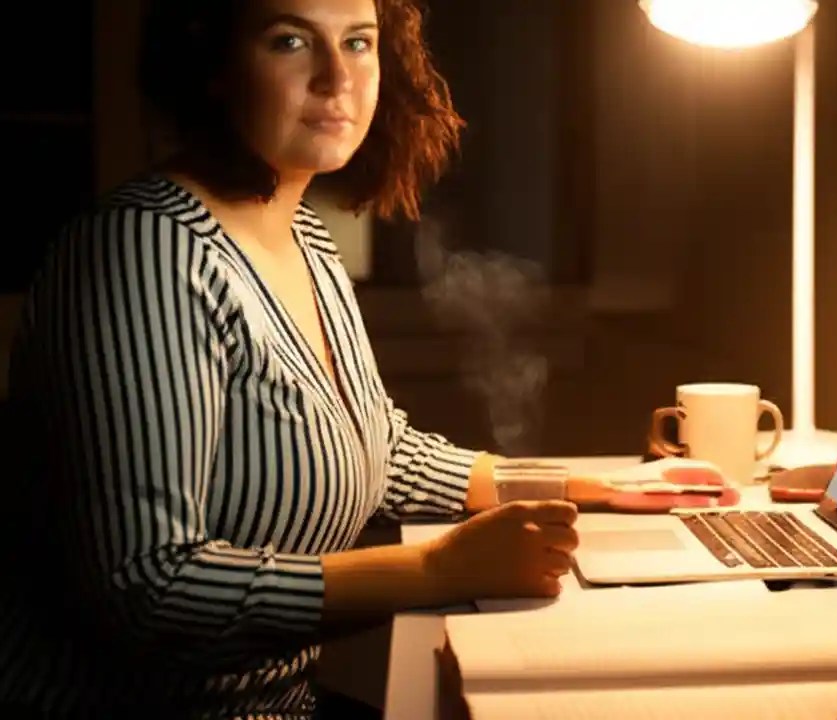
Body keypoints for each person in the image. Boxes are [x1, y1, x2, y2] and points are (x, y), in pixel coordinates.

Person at [0, 0, 611, 716]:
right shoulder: (145, 250)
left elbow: (378, 448)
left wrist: (587, 486)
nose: (336, 78)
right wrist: (438, 568)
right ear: (214, 67)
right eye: (290, 40)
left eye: (358, 42)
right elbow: (144, 586)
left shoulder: (306, 239)